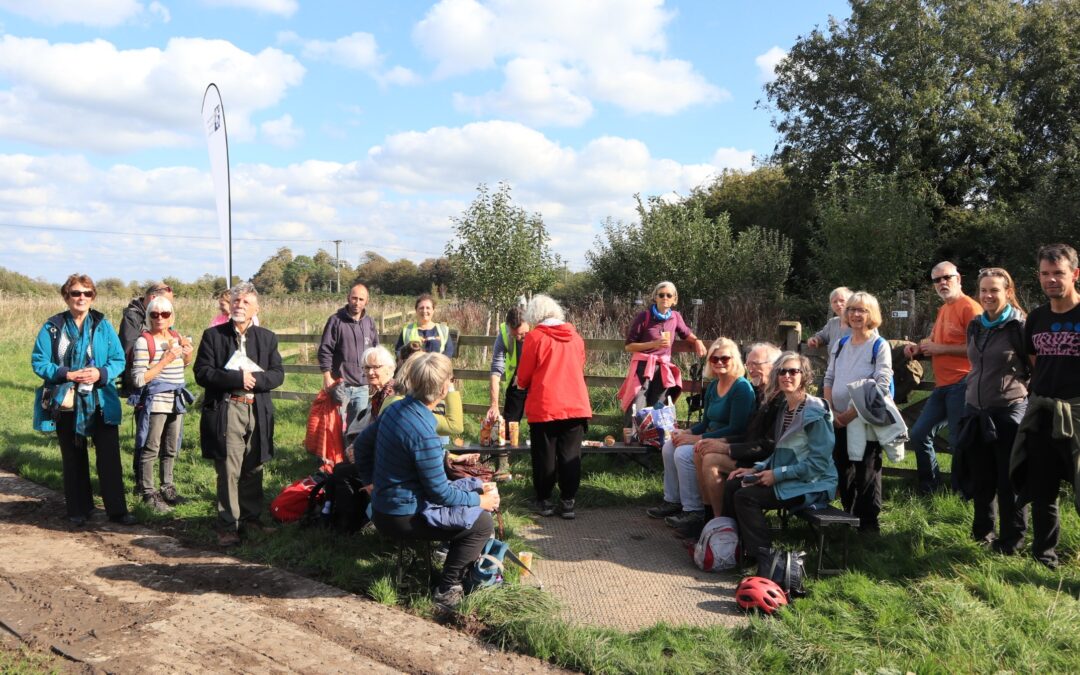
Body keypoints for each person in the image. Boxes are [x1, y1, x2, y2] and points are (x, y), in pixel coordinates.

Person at [354, 352, 498, 610]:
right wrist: (480, 501)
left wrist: (370, 482)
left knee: (472, 489)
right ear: (444, 389)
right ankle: (447, 589)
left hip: (382, 507)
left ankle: (446, 550)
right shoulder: (425, 433)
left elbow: (362, 445)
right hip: (402, 517)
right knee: (482, 523)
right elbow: (439, 494)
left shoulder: (395, 408)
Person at [31, 274, 135, 526]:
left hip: (100, 399)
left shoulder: (103, 324)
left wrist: (101, 373)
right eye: (76, 293)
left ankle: (117, 511)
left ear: (93, 297)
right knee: (73, 456)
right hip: (66, 400)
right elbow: (39, 361)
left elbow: (118, 359)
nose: (81, 298)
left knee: (109, 457)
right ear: (66, 296)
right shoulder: (52, 326)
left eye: (87, 293)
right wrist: (66, 373)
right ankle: (78, 509)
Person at [194, 282, 284, 546]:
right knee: (228, 466)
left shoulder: (267, 338)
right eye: (236, 301)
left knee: (254, 463)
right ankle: (227, 525)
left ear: (255, 308)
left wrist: (256, 381)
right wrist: (235, 378)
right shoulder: (213, 336)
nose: (239, 306)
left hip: (257, 408)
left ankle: (251, 519)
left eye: (245, 302)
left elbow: (278, 373)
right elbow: (202, 372)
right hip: (227, 407)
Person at [723, 352, 837, 561]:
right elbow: (780, 452)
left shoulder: (815, 413)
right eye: (782, 372)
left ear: (805, 376)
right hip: (790, 476)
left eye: (794, 371)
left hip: (814, 484)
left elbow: (818, 465)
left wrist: (778, 474)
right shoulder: (785, 408)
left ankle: (764, 559)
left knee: (746, 497)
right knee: (733, 483)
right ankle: (731, 548)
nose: (787, 376)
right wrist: (755, 469)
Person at [1010, 244, 1080, 569]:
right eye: (1045, 273)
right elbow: (1037, 364)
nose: (1051, 279)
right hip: (1042, 413)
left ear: (1075, 274)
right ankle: (1043, 555)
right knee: (1043, 490)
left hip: (1077, 416)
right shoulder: (1036, 317)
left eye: (1058, 273)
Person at [957, 267, 1028, 554]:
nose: (988, 295)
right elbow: (975, 364)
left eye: (994, 290)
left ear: (1008, 292)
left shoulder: (1019, 327)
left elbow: (1033, 368)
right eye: (984, 290)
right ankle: (983, 534)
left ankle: (1012, 541)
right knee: (981, 477)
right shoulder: (975, 325)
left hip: (1008, 411)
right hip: (976, 410)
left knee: (1008, 480)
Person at [654, 338, 755, 538]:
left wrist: (697, 438)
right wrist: (685, 432)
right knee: (669, 446)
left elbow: (737, 427)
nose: (719, 362)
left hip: (731, 440)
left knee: (684, 453)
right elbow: (706, 420)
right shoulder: (713, 386)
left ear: (734, 359)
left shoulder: (741, 388)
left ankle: (693, 510)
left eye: (724, 358)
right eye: (714, 359)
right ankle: (673, 500)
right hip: (709, 434)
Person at [904, 262, 982, 494]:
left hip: (964, 382)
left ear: (959, 279)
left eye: (946, 277)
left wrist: (939, 349)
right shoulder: (944, 309)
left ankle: (965, 493)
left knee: (960, 441)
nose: (941, 283)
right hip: (942, 386)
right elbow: (935, 341)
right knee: (918, 434)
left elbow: (977, 348)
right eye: (936, 280)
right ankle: (931, 487)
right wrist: (918, 348)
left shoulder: (970, 308)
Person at [517, 294, 592, 520]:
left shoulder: (535, 337)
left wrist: (521, 383)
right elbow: (579, 364)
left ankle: (545, 500)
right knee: (570, 454)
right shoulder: (575, 337)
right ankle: (568, 501)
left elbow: (524, 375)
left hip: (546, 403)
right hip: (575, 403)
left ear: (535, 315)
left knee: (544, 455)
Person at [689, 342, 783, 521]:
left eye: (756, 364)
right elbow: (747, 434)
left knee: (711, 459)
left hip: (767, 462)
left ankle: (720, 524)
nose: (751, 369)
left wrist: (726, 448)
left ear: (774, 366)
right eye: (749, 364)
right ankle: (706, 517)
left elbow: (769, 445)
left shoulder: (779, 400)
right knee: (703, 449)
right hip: (751, 451)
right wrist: (720, 442)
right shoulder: (760, 392)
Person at [824, 291, 892, 532]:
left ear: (871, 314)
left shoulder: (879, 345)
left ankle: (869, 525)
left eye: (862, 310)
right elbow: (829, 376)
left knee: (867, 470)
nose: (855, 314)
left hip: (864, 419)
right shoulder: (841, 343)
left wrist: (851, 413)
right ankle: (848, 516)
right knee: (843, 467)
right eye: (852, 309)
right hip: (838, 417)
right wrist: (830, 409)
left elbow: (881, 383)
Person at [128, 295, 195, 512]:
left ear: (171, 317)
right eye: (154, 314)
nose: (160, 318)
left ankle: (168, 487)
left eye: (165, 314)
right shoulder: (143, 341)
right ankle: (148, 492)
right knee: (151, 448)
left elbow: (182, 366)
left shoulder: (175, 336)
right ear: (148, 316)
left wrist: (187, 355)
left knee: (171, 447)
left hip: (176, 399)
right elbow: (139, 379)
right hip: (156, 400)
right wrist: (164, 359)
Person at [618, 281, 707, 414]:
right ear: (655, 297)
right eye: (661, 295)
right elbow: (629, 347)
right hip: (642, 367)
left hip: (662, 369)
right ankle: (633, 435)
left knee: (658, 410)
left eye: (669, 295)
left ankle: (656, 435)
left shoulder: (675, 317)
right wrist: (654, 344)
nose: (665, 298)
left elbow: (686, 333)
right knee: (636, 408)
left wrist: (697, 341)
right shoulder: (644, 317)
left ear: (674, 300)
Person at [317, 282, 380, 441]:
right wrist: (327, 376)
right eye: (354, 298)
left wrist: (374, 380)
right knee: (335, 427)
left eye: (361, 299)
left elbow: (375, 352)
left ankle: (350, 463)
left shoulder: (369, 323)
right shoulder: (335, 321)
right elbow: (325, 349)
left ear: (367, 301)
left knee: (356, 430)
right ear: (348, 298)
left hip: (362, 387)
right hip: (340, 385)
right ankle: (332, 462)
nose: (357, 302)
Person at [486, 305, 531, 480]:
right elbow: (496, 371)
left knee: (540, 423)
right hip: (515, 382)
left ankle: (542, 462)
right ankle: (503, 465)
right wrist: (494, 405)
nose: (520, 338)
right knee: (509, 421)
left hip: (539, 382)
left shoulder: (538, 328)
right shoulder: (504, 334)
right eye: (516, 335)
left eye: (523, 334)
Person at [118, 281, 173, 396]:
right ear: (153, 298)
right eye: (167, 302)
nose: (168, 307)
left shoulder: (162, 315)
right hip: (141, 374)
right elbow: (129, 348)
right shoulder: (132, 316)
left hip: (160, 373)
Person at [395, 293, 455, 360]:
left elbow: (448, 353)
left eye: (428, 308)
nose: (424, 311)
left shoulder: (443, 330)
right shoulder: (407, 330)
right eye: (421, 308)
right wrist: (410, 347)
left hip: (436, 368)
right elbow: (398, 352)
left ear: (433, 311)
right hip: (413, 368)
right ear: (416, 310)